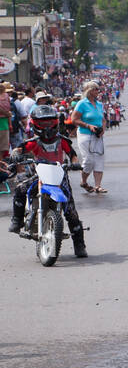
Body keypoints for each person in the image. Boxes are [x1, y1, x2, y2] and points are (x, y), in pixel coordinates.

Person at [7, 104, 87, 257]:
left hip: (59, 175)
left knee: (71, 212)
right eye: (43, 123)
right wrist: (16, 153)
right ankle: (17, 220)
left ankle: (80, 245)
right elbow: (20, 148)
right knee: (20, 188)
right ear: (35, 123)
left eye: (49, 122)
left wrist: (75, 163)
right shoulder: (34, 141)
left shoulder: (62, 140)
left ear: (55, 122)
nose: (47, 126)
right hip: (39, 174)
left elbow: (72, 154)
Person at [69, 80, 107, 194]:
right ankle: (84, 181)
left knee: (99, 159)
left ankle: (98, 186)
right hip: (85, 134)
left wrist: (102, 131)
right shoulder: (82, 103)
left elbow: (103, 120)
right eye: (96, 89)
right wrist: (88, 125)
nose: (98, 91)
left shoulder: (99, 104)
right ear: (90, 91)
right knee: (89, 160)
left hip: (97, 135)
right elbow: (74, 119)